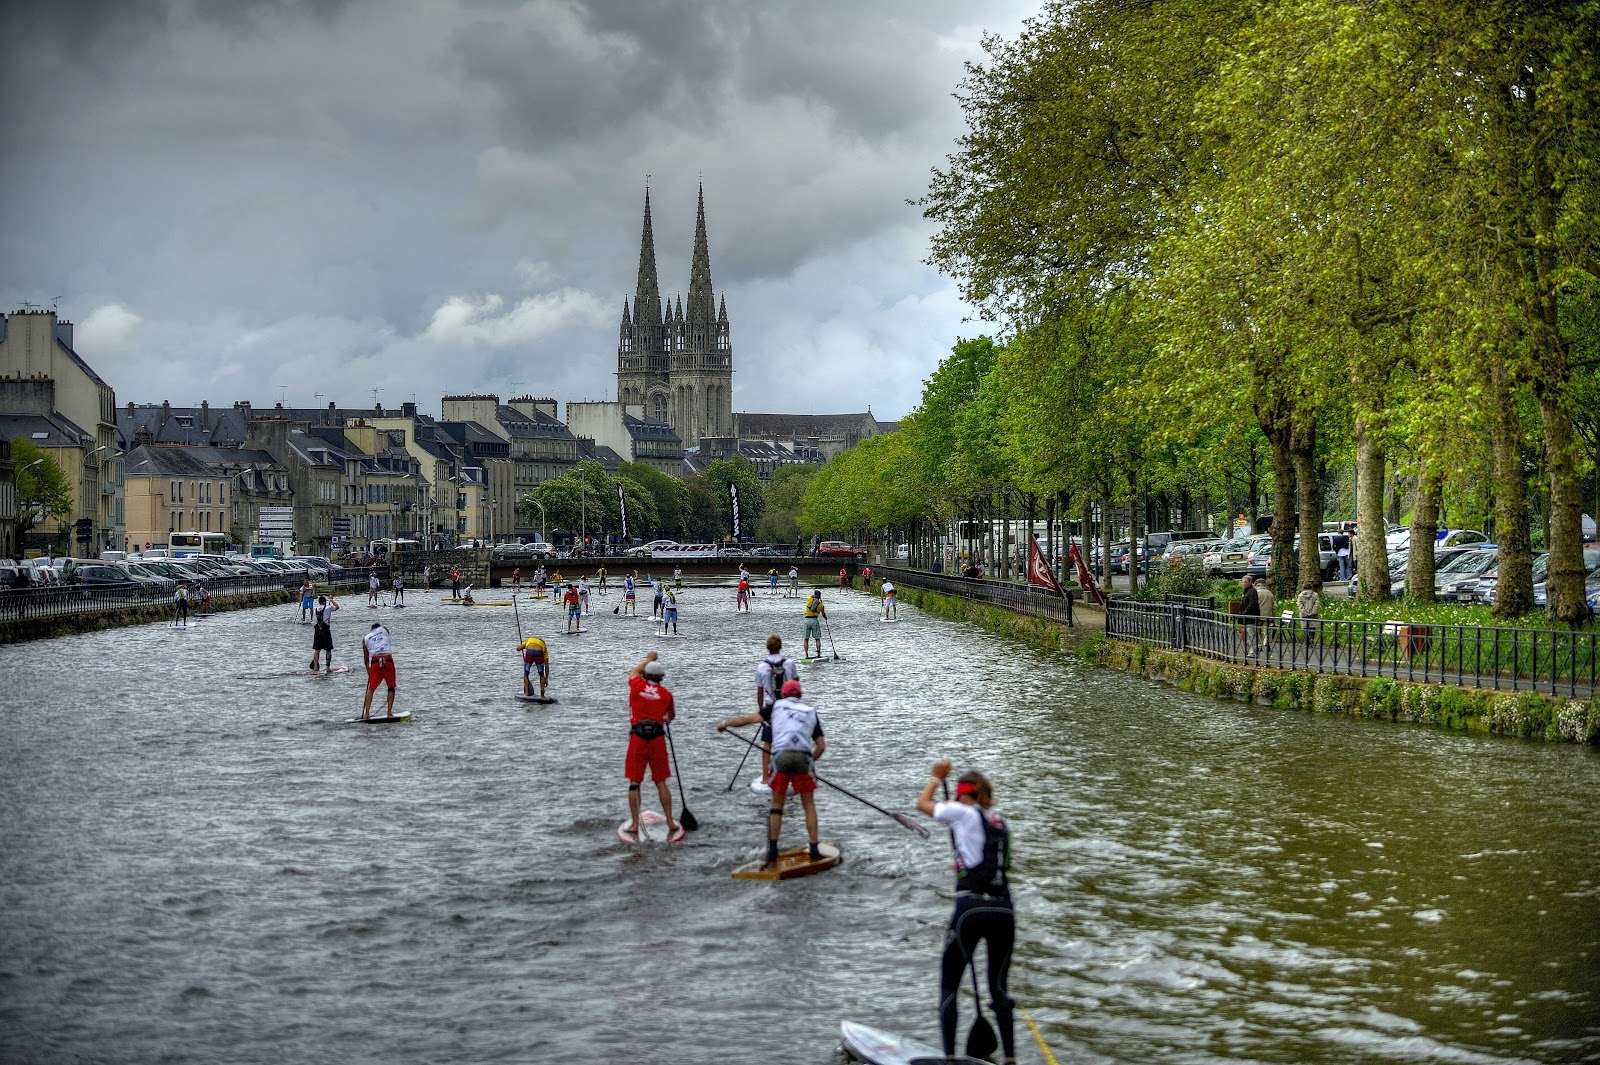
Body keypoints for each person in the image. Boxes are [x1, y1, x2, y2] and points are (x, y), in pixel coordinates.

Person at [915, 760, 1016, 1065]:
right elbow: (995, 864)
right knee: (998, 989)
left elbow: (922, 805)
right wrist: (961, 864)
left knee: (949, 985)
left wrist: (936, 777)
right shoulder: (999, 822)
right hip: (1004, 910)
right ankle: (1011, 1059)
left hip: (970, 909)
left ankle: (948, 1057)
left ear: (962, 794)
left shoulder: (961, 811)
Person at [719, 678, 825, 868]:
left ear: (783, 695)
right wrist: (809, 762)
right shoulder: (810, 711)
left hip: (780, 757)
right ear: (800, 695)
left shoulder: (776, 707)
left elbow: (748, 720)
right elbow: (821, 746)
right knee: (808, 805)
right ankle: (815, 848)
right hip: (803, 757)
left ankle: (772, 851)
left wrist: (725, 723)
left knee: (777, 806)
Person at [623, 652, 679, 839]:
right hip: (657, 740)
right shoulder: (666, 695)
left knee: (634, 782)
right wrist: (662, 717)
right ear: (661, 678)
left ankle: (634, 824)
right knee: (660, 781)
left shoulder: (637, 686)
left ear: (645, 676)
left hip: (638, 738)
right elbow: (670, 717)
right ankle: (670, 821)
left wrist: (649, 658)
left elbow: (634, 671)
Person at [361, 621, 397, 720]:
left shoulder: (366, 638)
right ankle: (389, 712)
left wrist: (368, 670)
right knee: (391, 687)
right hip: (387, 659)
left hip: (375, 662)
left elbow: (366, 656)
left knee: (371, 688)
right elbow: (387, 632)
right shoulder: (384, 629)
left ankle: (367, 713)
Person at [310, 593, 339, 671]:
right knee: (328, 649)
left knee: (317, 650)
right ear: (324, 602)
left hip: (317, 631)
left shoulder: (315, 609)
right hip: (325, 630)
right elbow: (337, 607)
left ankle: (315, 667)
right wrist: (331, 600)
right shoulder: (328, 608)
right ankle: (328, 667)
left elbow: (314, 620)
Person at [1238, 575, 1261, 657]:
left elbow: (1252, 604)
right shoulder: (1246, 591)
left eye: (1245, 582)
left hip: (1251, 617)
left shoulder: (1252, 591)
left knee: (1251, 634)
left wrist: (1245, 612)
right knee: (1248, 634)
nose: (1243, 584)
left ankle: (1253, 651)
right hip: (1246, 617)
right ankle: (1251, 650)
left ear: (1250, 582)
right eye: (1242, 582)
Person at [1296, 582, 1322, 650]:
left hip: (1304, 615)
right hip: (1313, 615)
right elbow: (1316, 604)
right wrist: (1313, 612)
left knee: (1305, 628)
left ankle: (1307, 641)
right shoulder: (1315, 595)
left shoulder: (1300, 595)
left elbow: (1300, 605)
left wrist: (1304, 612)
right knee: (1312, 628)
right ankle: (1311, 639)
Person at [803, 589, 827, 660]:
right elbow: (823, 615)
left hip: (807, 620)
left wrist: (813, 596)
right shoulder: (821, 605)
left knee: (806, 639)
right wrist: (826, 618)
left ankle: (806, 655)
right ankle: (818, 654)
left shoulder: (809, 599)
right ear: (819, 597)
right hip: (814, 620)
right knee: (817, 638)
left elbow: (810, 596)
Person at [1254, 580, 1275, 654]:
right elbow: (1273, 606)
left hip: (1258, 615)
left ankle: (1259, 645)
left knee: (1258, 630)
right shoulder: (1269, 593)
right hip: (1268, 615)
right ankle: (1266, 641)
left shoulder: (1256, 593)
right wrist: (1273, 616)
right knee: (1266, 629)